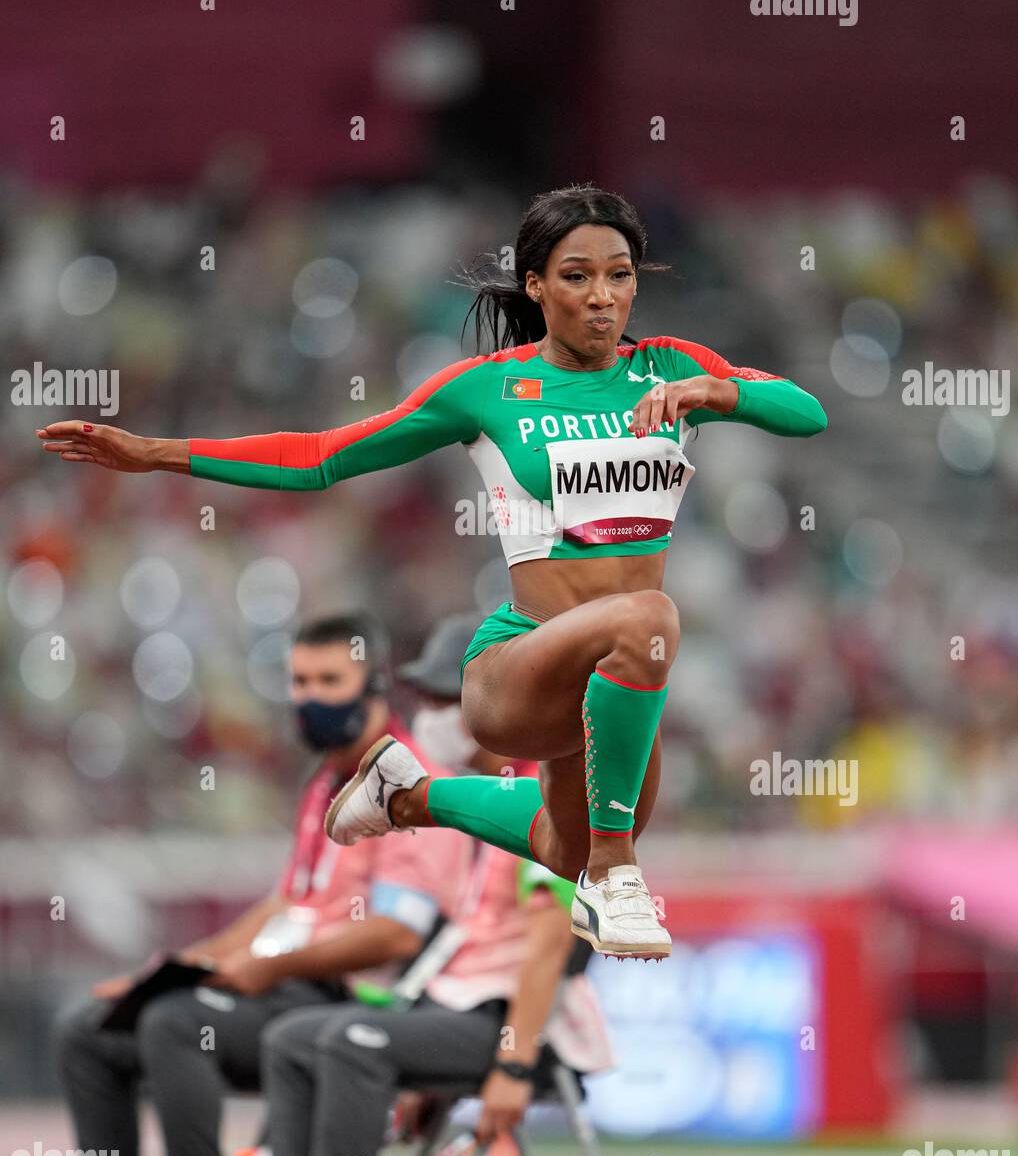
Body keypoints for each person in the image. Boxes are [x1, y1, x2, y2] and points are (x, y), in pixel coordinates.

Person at [37, 182, 827, 960]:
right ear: (536, 285)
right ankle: (617, 880)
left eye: (619, 275)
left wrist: (717, 390)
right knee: (651, 621)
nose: (602, 297)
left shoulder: (671, 366)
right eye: (578, 276)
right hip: (521, 666)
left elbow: (806, 411)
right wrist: (157, 454)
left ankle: (410, 793)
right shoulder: (487, 389)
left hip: (613, 682)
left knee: (563, 843)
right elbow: (319, 460)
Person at [54, 614, 471, 1156]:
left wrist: (271, 968)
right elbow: (287, 903)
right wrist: (184, 965)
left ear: (374, 684)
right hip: (284, 983)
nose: (310, 697)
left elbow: (397, 935)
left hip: (345, 998)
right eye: (300, 682)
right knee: (88, 1029)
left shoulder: (411, 783)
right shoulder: (324, 781)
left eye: (329, 681)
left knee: (175, 1023)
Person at [259, 613, 611, 1156]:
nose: (431, 716)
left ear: (504, 704)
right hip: (462, 1010)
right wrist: (422, 1043)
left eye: (448, 699)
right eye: (426, 698)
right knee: (291, 1040)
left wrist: (513, 1066)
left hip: (512, 1024)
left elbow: (550, 944)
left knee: (353, 1038)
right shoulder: (484, 800)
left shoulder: (545, 799)